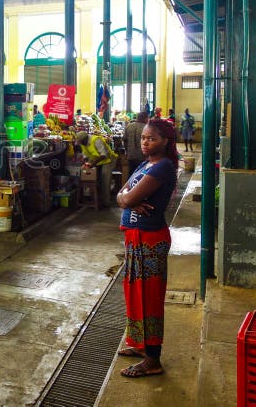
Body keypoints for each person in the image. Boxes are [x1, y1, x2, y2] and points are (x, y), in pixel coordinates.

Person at [115, 119, 178, 378]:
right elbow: (122, 194)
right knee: (134, 292)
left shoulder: (163, 166)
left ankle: (153, 359)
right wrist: (127, 201)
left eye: (151, 138)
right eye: (143, 138)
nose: (145, 142)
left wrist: (127, 200)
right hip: (135, 237)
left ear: (165, 141)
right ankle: (141, 345)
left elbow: (127, 196)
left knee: (149, 297)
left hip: (149, 240)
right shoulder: (145, 163)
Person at [75, 130, 118, 208]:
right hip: (97, 161)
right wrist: (86, 163)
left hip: (108, 160)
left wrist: (92, 164)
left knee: (105, 179)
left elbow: (104, 155)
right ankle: (96, 199)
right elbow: (85, 155)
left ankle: (106, 202)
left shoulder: (96, 140)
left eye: (81, 142)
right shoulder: (83, 143)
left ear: (85, 139)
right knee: (95, 178)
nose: (80, 144)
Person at [123, 111, 148, 176]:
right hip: (142, 156)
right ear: (145, 118)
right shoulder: (146, 127)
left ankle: (130, 186)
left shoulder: (129, 126)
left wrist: (127, 151)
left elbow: (124, 140)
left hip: (131, 155)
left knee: (131, 174)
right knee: (141, 175)